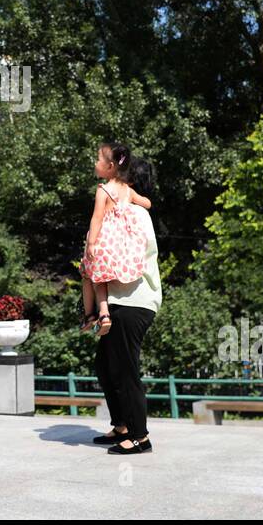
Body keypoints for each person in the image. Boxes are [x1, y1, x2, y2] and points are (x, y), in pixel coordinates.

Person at [92, 156, 161, 454]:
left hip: (134, 301)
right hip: (123, 300)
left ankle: (139, 436)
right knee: (106, 366)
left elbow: (122, 255)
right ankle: (121, 424)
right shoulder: (128, 211)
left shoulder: (133, 213)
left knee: (125, 368)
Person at [79, 142, 151, 336]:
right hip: (123, 247)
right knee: (102, 277)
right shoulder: (128, 191)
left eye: (98, 159)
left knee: (91, 277)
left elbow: (97, 217)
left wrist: (91, 244)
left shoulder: (103, 190)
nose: (95, 163)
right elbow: (147, 203)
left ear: (110, 167)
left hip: (104, 242)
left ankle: (95, 315)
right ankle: (102, 316)